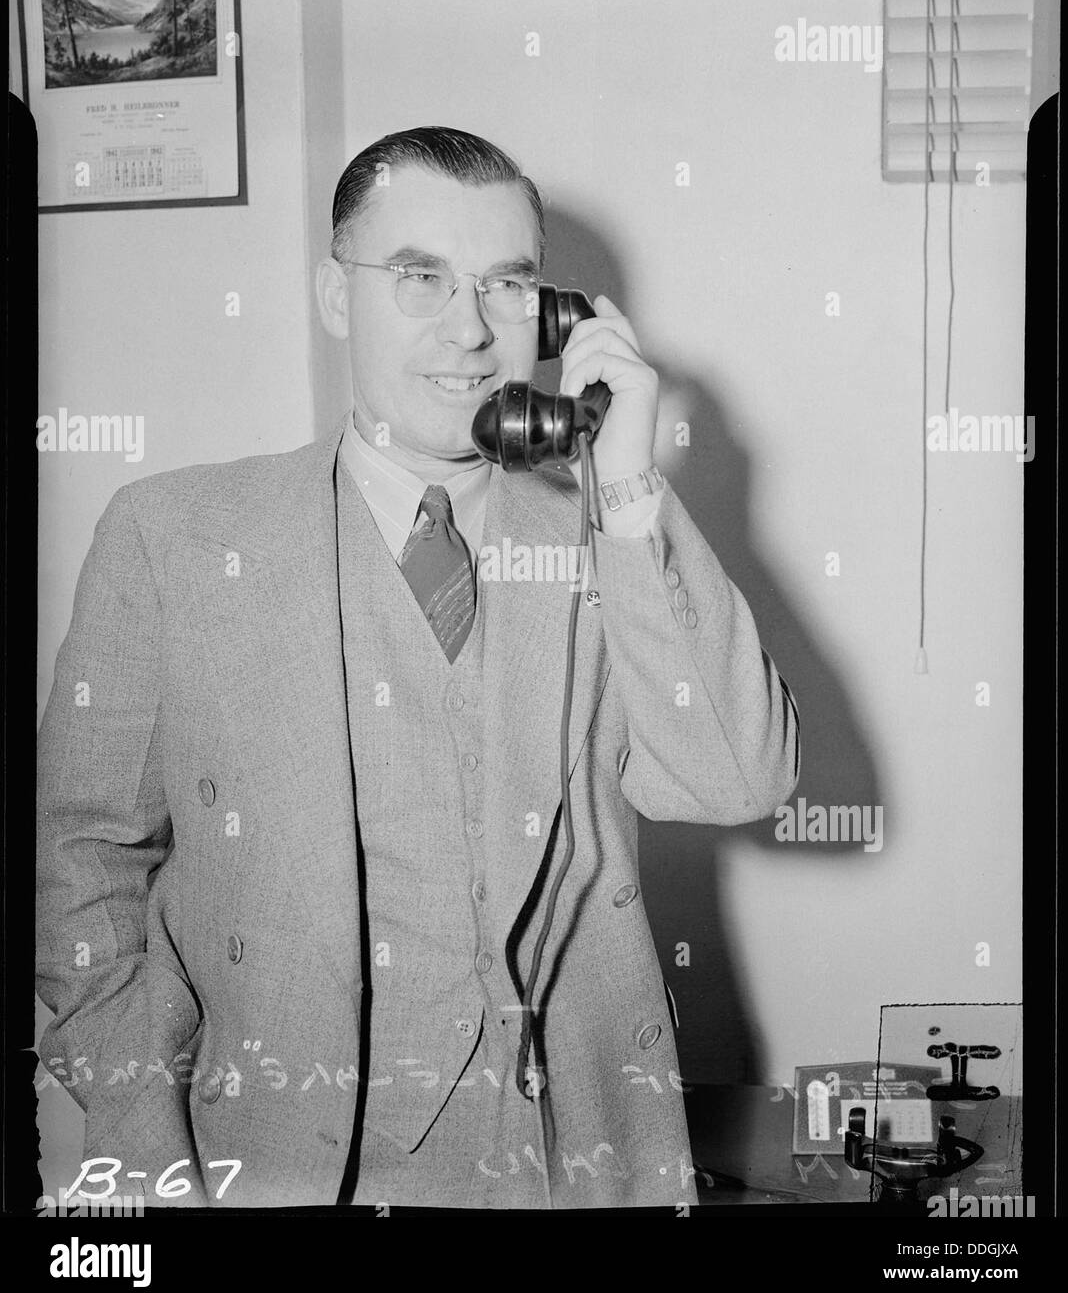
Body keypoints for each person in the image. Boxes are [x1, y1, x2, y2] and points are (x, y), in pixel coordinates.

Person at [36, 125, 800, 1210]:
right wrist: (155, 1168)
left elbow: (737, 778)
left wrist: (626, 488)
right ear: (336, 295)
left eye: (507, 284)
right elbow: (76, 873)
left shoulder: (607, 540)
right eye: (419, 277)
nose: (471, 330)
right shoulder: (172, 538)